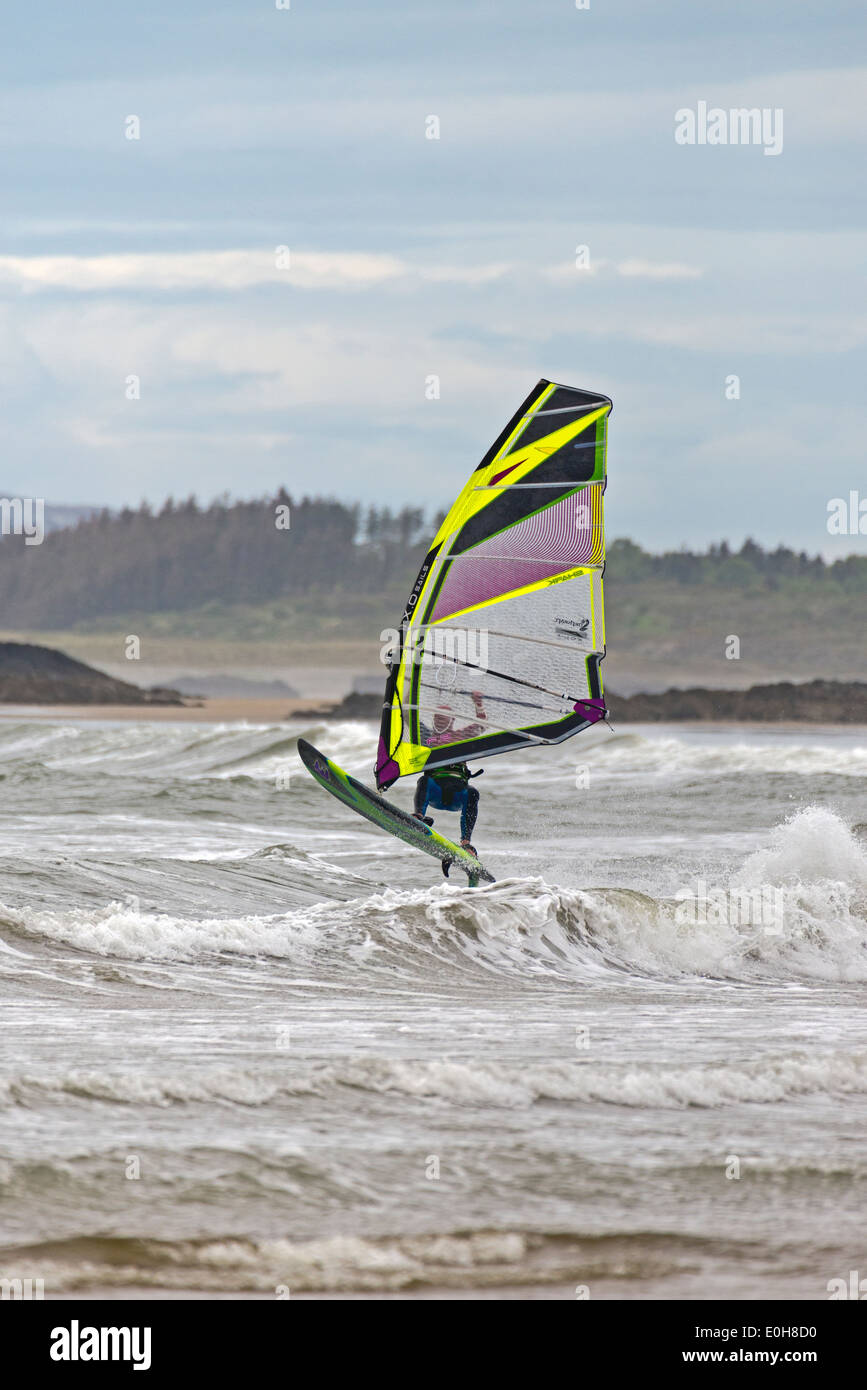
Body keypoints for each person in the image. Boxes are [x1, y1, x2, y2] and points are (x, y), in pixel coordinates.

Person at [413, 761, 482, 853]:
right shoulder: (428, 751)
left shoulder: (462, 751)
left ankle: (466, 843)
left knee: (473, 793)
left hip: (458, 796)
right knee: (424, 780)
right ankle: (418, 816)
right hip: (436, 792)